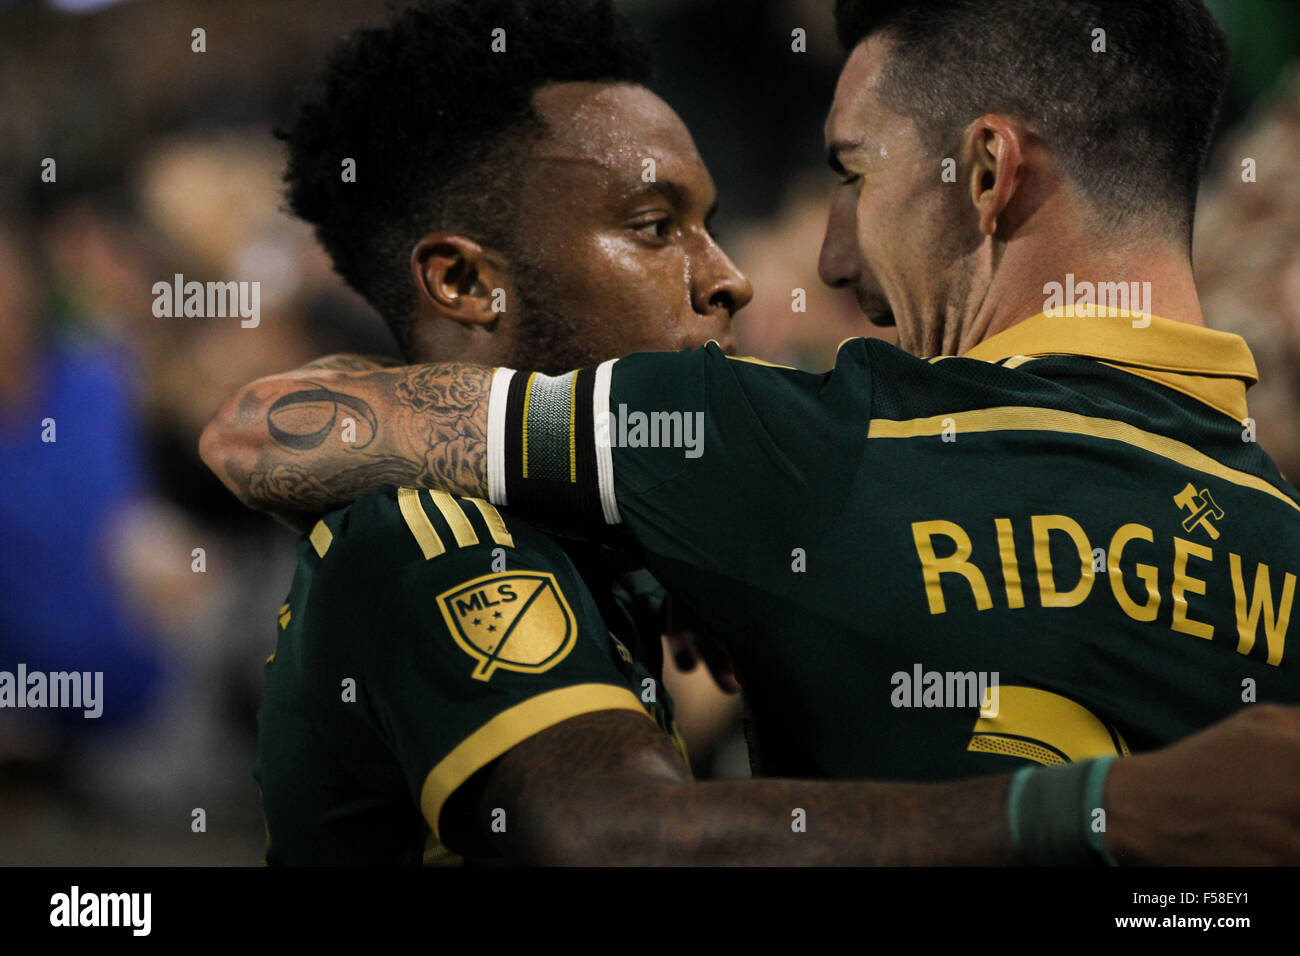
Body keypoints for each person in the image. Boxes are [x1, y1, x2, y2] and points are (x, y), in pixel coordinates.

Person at [203, 0, 1300, 864]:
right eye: (656, 226)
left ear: (984, 172)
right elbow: (607, 834)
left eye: (853, 174)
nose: (792, 266)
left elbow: (268, 431)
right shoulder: (1278, 523)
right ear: (457, 279)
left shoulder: (793, 447)